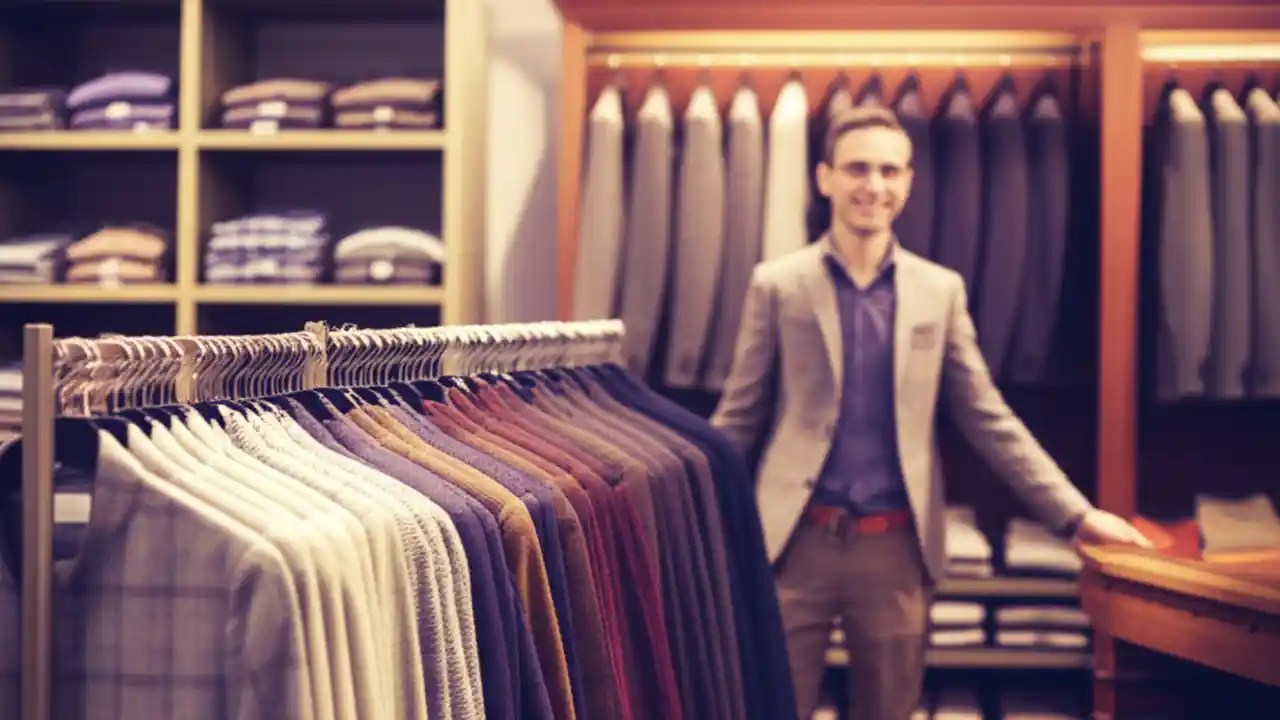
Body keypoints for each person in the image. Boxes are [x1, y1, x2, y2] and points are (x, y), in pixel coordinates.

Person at [709, 106, 1152, 720]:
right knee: (768, 706)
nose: (873, 185)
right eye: (857, 168)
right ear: (824, 177)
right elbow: (739, 415)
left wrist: (1076, 517)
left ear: (909, 181)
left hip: (896, 548)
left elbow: (988, 418)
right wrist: (685, 514)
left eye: (889, 171)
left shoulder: (938, 291)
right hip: (791, 542)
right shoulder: (778, 285)